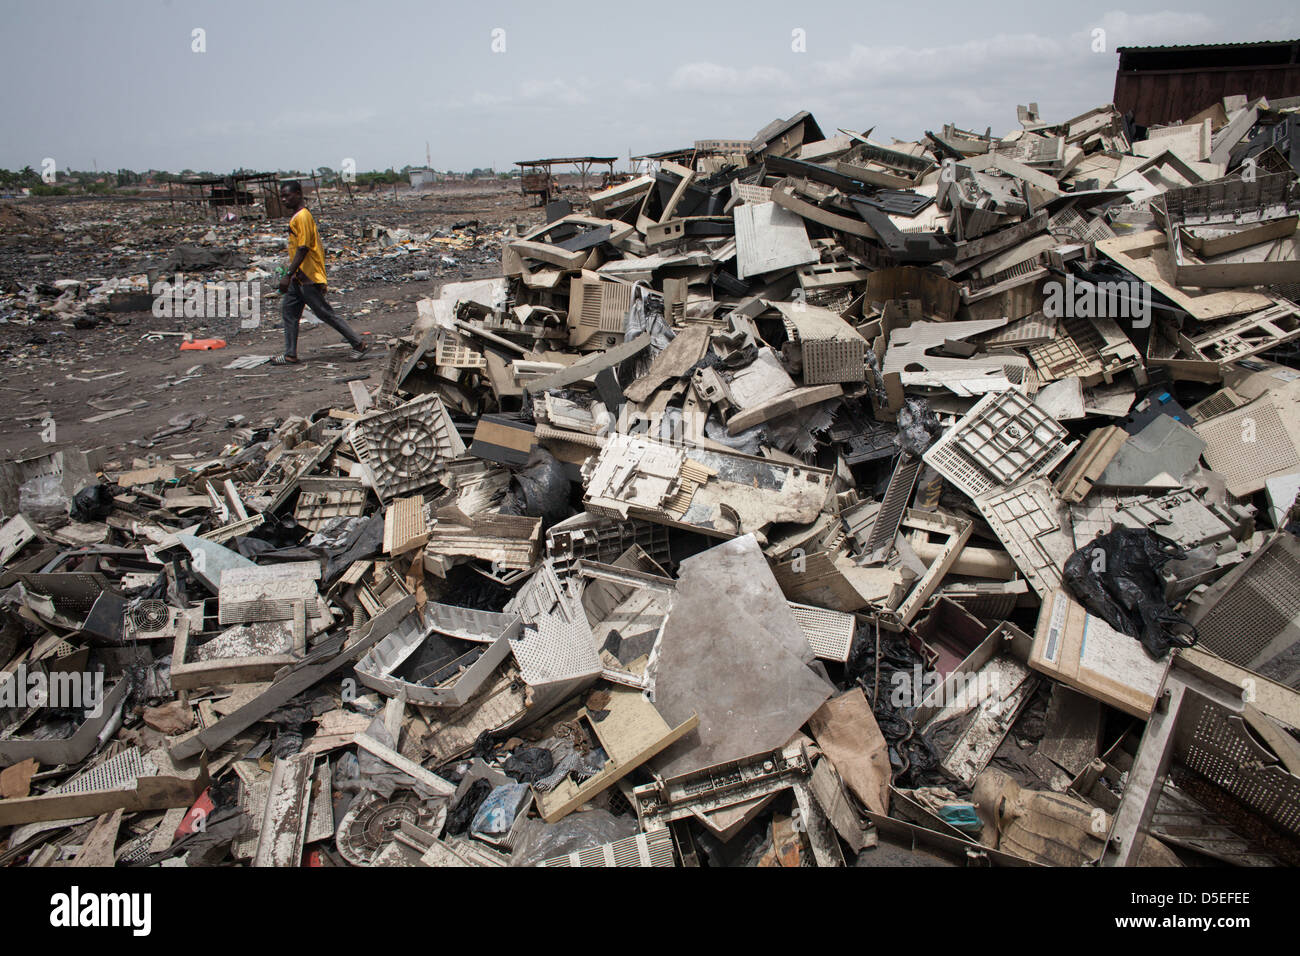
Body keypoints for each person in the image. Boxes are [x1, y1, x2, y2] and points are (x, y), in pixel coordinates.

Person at [272, 180, 368, 364]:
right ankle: (290, 354)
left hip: (307, 277)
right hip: (298, 277)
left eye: (287, 195)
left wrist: (286, 274)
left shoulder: (303, 216)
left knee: (324, 313)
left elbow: (303, 248)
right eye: (281, 197)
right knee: (289, 312)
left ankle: (359, 344)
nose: (283, 200)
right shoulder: (297, 217)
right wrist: (291, 275)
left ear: (299, 194)